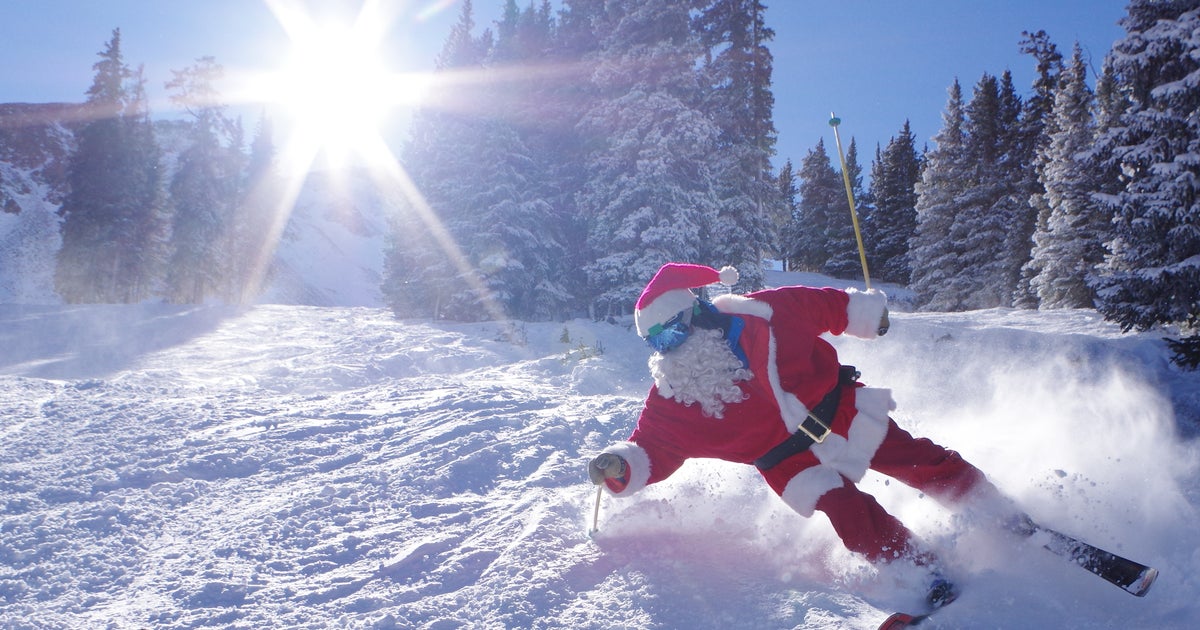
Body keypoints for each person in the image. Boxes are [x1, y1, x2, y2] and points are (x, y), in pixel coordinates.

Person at [588, 262, 1020, 607]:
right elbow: (650, 447)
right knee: (849, 513)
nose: (670, 349)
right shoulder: (676, 394)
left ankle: (995, 509)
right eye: (656, 343)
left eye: (672, 332)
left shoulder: (764, 313)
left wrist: (867, 316)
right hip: (789, 462)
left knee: (916, 458)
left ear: (698, 315)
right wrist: (620, 465)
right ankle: (920, 570)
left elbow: (823, 305)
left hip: (841, 411)